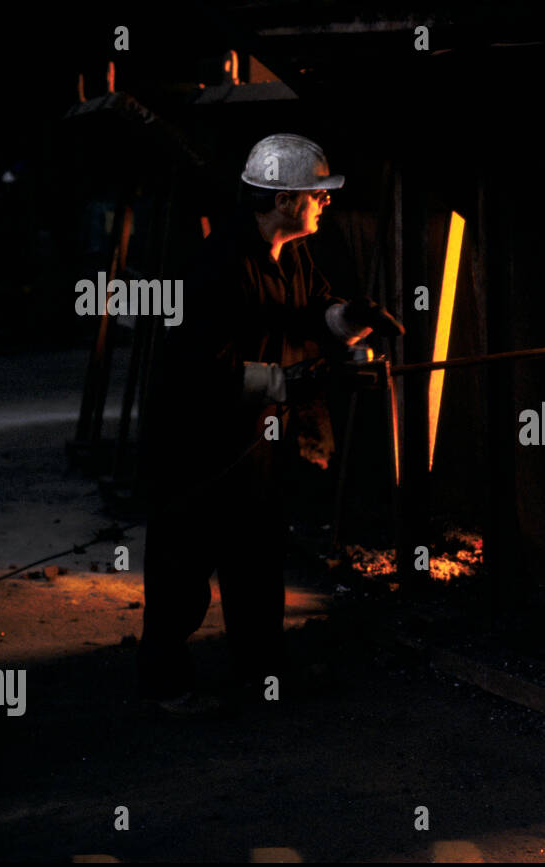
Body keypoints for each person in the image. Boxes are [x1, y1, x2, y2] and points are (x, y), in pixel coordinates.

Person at [137, 133, 403, 715]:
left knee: (255, 555)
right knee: (184, 563)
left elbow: (312, 308)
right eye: (317, 194)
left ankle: (262, 674)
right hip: (196, 441)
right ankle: (164, 685)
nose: (324, 203)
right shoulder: (215, 264)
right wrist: (290, 382)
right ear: (283, 200)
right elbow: (200, 371)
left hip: (254, 435)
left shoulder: (293, 253)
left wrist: (351, 318)